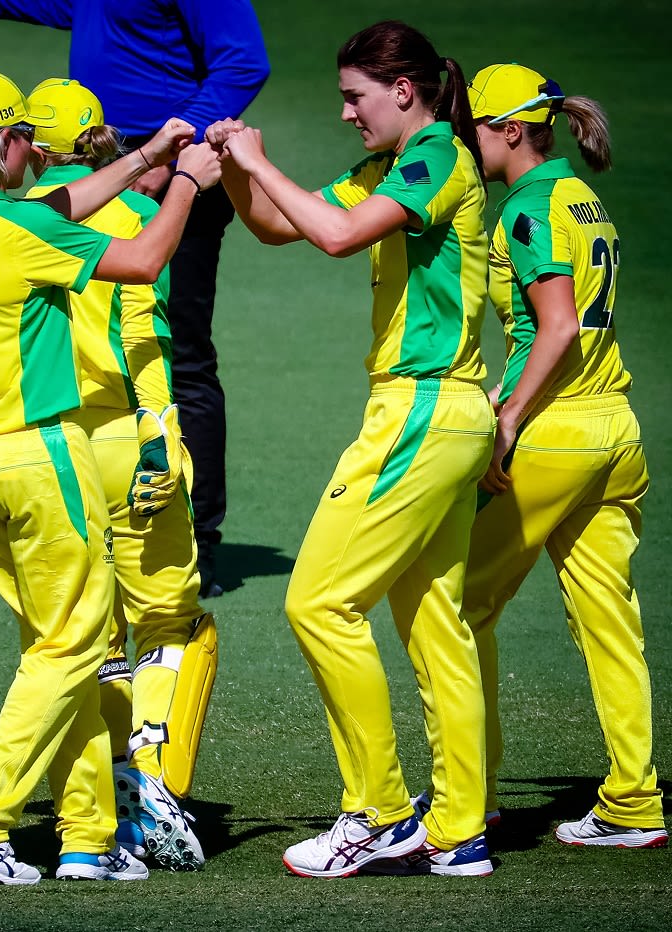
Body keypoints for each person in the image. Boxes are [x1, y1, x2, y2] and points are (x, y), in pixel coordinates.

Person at [0, 68, 218, 884]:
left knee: (59, 649)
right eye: (24, 139)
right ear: (9, 143)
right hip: (36, 455)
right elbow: (145, 259)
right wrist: (186, 183)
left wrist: (145, 156)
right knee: (76, 644)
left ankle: (88, 837)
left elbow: (54, 206)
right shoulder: (20, 233)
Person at [208, 20, 495, 877]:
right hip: (446, 415)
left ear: (404, 90)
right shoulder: (391, 167)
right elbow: (278, 225)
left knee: (318, 603)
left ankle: (378, 812)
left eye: (354, 97)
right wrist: (235, 165)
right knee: (435, 625)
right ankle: (459, 830)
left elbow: (337, 237)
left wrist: (258, 161)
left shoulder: (435, 157)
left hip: (421, 412)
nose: (345, 113)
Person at [0, 0, 271, 592]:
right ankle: (56, 537)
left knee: (178, 354)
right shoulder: (21, 215)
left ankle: (193, 540)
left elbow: (244, 62)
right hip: (122, 156)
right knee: (63, 333)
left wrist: (173, 159)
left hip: (170, 156)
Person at [461, 63, 666, 849]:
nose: (464, 142)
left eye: (473, 128)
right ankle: (633, 803)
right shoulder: (582, 197)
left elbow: (557, 326)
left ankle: (468, 797)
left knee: (458, 609)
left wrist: (508, 416)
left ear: (511, 130)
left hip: (553, 435)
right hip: (615, 431)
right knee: (610, 624)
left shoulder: (527, 209)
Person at [22, 77, 216, 872]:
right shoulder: (137, 218)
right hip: (128, 443)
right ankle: (154, 784)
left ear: (33, 150)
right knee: (173, 625)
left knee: (90, 634)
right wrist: (161, 441)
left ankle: (104, 800)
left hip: (51, 454)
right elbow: (146, 341)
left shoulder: (19, 221)